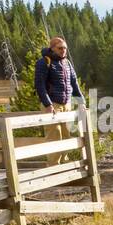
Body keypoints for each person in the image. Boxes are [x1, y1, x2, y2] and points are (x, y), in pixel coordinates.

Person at [33, 37, 84, 165]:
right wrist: (48, 104)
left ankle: (65, 165)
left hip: (66, 104)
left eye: (65, 48)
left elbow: (74, 83)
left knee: (67, 136)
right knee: (54, 137)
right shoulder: (44, 62)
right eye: (60, 48)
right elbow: (40, 85)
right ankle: (54, 167)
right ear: (52, 48)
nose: (63, 51)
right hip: (52, 105)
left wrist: (81, 102)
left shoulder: (67, 63)